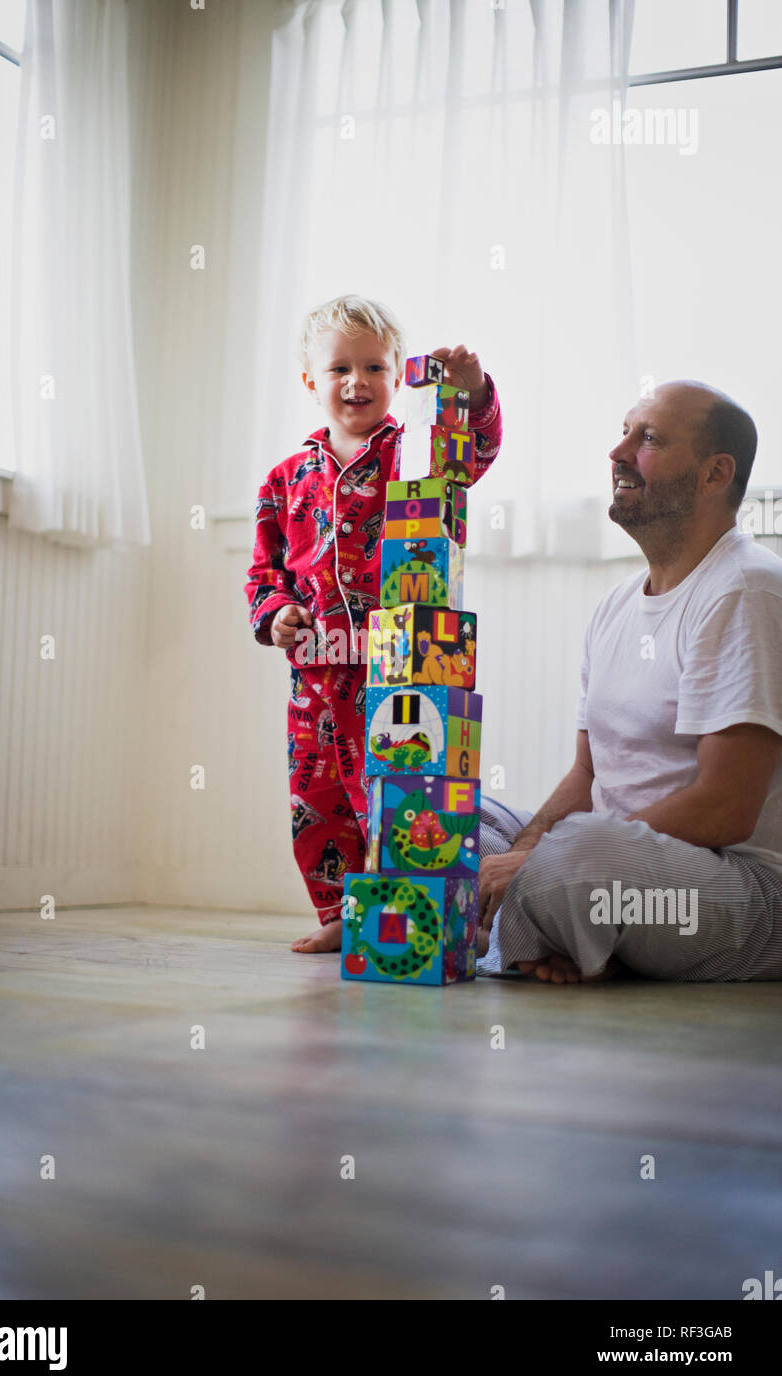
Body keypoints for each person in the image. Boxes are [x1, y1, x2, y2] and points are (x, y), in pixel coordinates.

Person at [478, 380, 782, 984]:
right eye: (623, 432)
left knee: (576, 857)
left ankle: (544, 920)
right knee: (443, 819)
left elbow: (727, 810)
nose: (617, 453)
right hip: (619, 860)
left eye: (647, 438)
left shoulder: (746, 589)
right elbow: (587, 775)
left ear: (714, 475)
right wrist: (526, 848)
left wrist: (547, 857)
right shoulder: (616, 605)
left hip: (738, 890)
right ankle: (563, 928)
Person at [245, 294, 503, 952]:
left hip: (396, 668)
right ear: (311, 381)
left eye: (374, 368)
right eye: (339, 370)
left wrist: (472, 395)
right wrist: (275, 616)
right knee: (318, 802)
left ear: (397, 376)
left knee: (392, 796)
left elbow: (473, 457)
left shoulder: (413, 452)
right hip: (314, 673)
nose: (357, 382)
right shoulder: (284, 479)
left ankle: (416, 915)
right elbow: (263, 574)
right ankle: (337, 913)